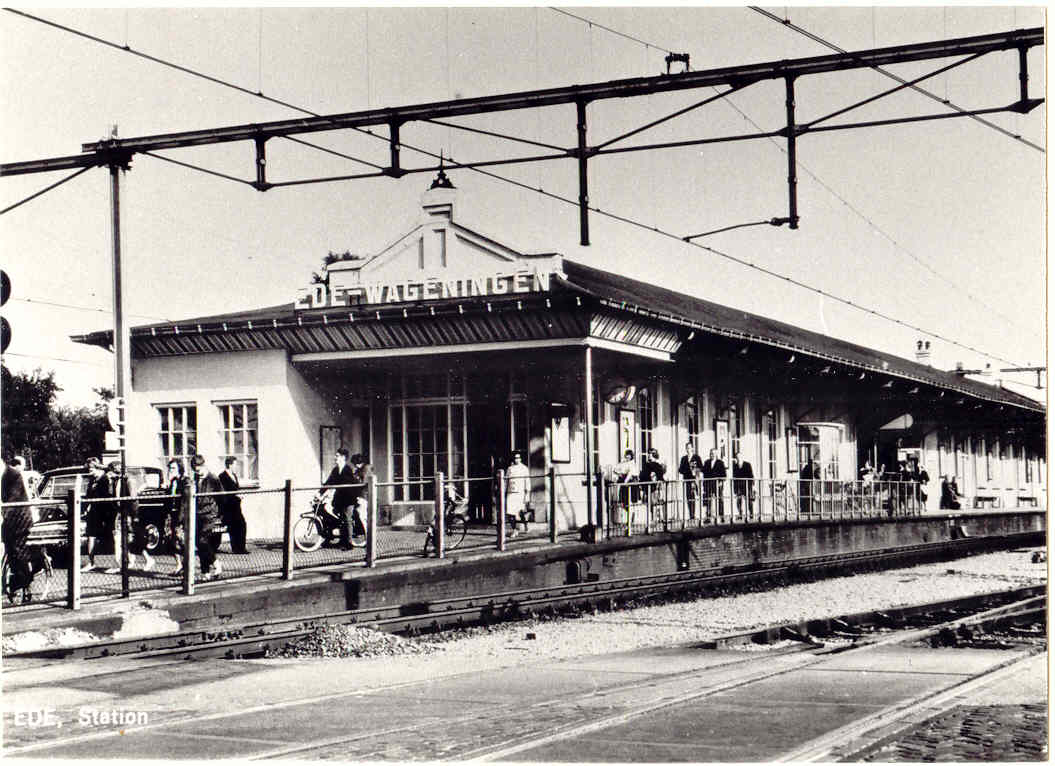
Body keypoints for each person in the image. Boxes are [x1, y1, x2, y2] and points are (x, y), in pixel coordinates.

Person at [2, 454, 34, 603]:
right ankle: (15, 583)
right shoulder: (6, 474)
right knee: (10, 551)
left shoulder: (13, 475)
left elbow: (12, 500)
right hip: (10, 519)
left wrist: (4, 514)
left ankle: (25, 583)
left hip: (20, 520)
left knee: (18, 552)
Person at [190, 455, 222, 579]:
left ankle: (216, 564)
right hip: (198, 514)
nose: (199, 473)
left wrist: (219, 514)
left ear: (204, 465)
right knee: (199, 543)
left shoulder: (213, 479)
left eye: (200, 470)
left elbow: (222, 497)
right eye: (196, 470)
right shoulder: (196, 478)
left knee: (203, 541)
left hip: (210, 515)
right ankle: (205, 572)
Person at [321, 448, 357, 550]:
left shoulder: (348, 469)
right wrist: (319, 493)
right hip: (339, 498)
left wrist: (335, 487)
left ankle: (349, 543)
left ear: (343, 458)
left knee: (347, 519)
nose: (335, 458)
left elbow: (348, 484)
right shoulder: (336, 470)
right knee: (339, 519)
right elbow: (329, 482)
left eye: (337, 456)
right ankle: (341, 540)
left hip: (349, 499)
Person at [82, 457, 110, 571]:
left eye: (91, 468)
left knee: (112, 538)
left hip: (105, 513)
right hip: (94, 513)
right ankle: (91, 562)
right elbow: (89, 496)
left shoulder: (105, 479)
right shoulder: (92, 481)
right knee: (90, 535)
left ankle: (125, 561)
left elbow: (106, 496)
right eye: (89, 468)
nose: (89, 471)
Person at [218, 457, 249, 554]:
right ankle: (236, 548)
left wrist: (239, 495)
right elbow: (224, 492)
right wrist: (235, 495)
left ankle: (241, 547)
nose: (236, 467)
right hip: (228, 506)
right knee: (234, 526)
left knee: (242, 525)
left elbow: (236, 488)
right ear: (230, 465)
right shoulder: (222, 476)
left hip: (236, 506)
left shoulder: (234, 475)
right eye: (235, 464)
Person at [505, 452, 530, 537]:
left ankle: (524, 525)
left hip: (520, 493)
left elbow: (527, 482)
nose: (517, 459)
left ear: (521, 458)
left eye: (518, 458)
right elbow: (506, 481)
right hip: (510, 493)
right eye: (515, 458)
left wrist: (527, 495)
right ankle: (514, 529)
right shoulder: (510, 469)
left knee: (520, 513)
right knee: (510, 513)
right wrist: (504, 491)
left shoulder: (524, 468)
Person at [678, 443, 704, 520]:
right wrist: (685, 470)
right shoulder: (684, 458)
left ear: (692, 448)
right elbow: (680, 469)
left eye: (689, 448)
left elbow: (701, 467)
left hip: (694, 480)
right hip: (687, 480)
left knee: (694, 496)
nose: (688, 450)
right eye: (687, 448)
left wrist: (695, 470)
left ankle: (694, 514)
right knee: (688, 497)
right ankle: (691, 514)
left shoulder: (696, 457)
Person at [702, 449, 727, 521]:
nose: (712, 455)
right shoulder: (707, 462)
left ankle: (721, 516)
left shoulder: (720, 463)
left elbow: (724, 475)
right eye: (711, 453)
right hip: (709, 484)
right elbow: (704, 472)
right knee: (708, 501)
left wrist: (721, 481)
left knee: (720, 500)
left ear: (716, 454)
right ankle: (708, 517)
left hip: (717, 484)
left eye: (713, 453)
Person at [732, 452, 754, 518]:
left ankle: (751, 513)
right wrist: (735, 488)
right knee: (739, 501)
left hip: (747, 485)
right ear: (736, 458)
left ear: (742, 457)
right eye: (737, 457)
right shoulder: (735, 466)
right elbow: (734, 477)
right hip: (739, 485)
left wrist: (751, 485)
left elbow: (751, 475)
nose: (738, 458)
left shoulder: (747, 464)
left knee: (749, 500)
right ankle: (740, 514)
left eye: (740, 457)